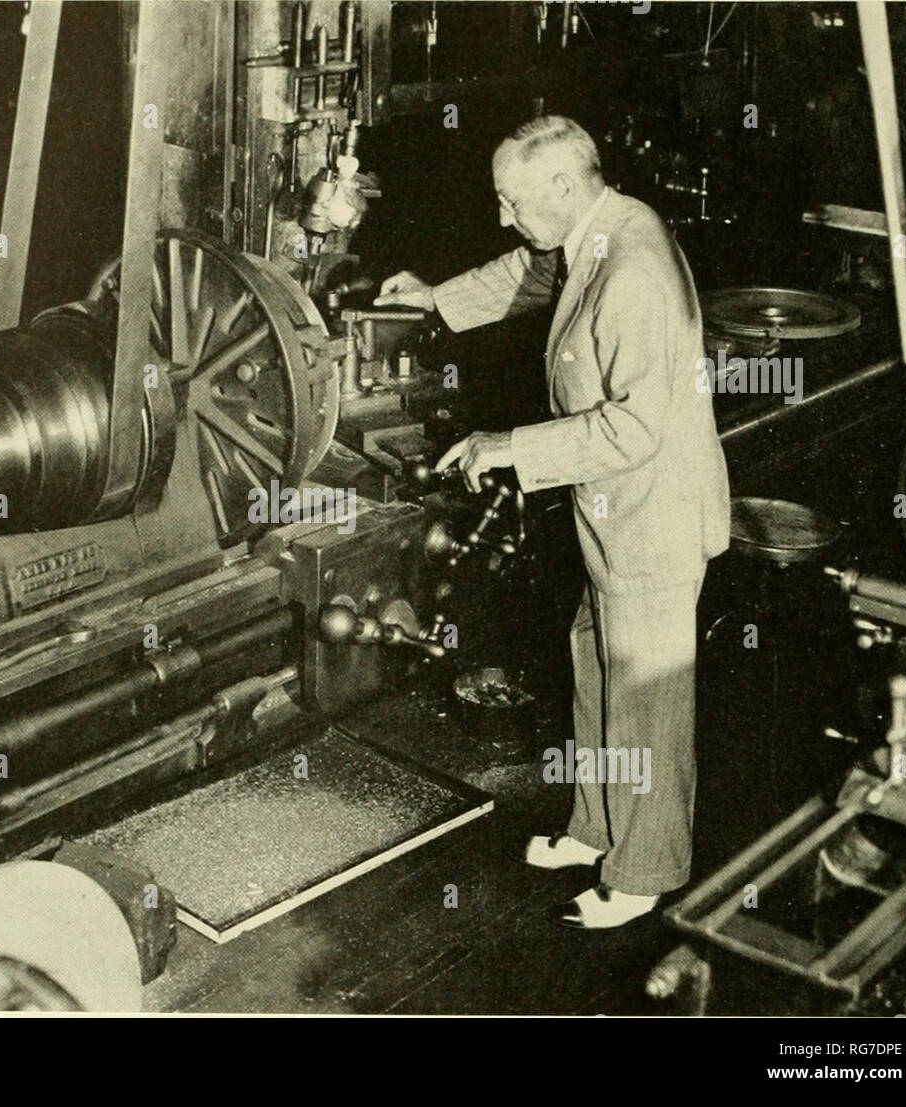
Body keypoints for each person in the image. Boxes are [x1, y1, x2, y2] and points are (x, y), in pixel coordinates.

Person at [376, 116, 730, 929]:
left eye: (511, 201)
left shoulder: (634, 267)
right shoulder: (592, 230)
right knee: (595, 659)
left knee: (645, 691)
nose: (503, 216)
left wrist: (507, 447)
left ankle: (644, 871)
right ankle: (596, 827)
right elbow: (532, 274)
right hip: (616, 514)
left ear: (565, 189)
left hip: (654, 514)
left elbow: (635, 428)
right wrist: (436, 298)